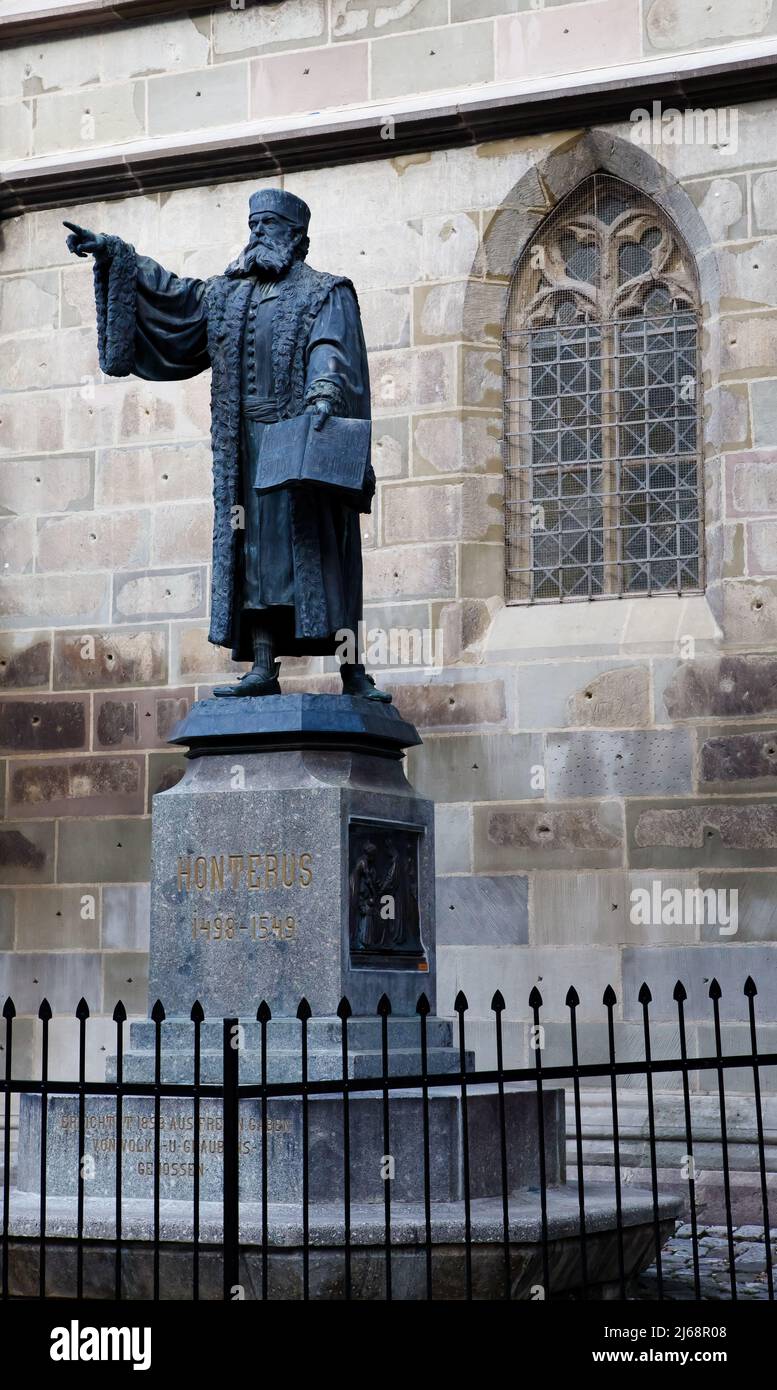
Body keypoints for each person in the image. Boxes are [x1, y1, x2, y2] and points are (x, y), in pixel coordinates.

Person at [64, 189, 390, 701]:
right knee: (253, 558)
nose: (258, 232)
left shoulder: (327, 292)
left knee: (324, 558)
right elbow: (171, 296)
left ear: (298, 238)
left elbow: (333, 349)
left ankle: (353, 672)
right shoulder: (226, 295)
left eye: (270, 225)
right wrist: (112, 252)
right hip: (245, 451)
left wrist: (324, 391)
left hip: (304, 438)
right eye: (253, 223)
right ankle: (263, 665)